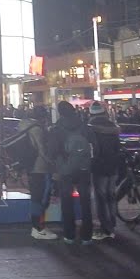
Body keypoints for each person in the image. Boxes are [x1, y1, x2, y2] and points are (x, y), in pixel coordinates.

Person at [49, 100, 94, 245]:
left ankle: (70, 234)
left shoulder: (57, 129)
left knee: (67, 201)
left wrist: (57, 165)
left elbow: (53, 151)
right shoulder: (84, 126)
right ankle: (87, 235)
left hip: (65, 169)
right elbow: (94, 147)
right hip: (83, 168)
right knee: (85, 201)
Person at [17, 106, 56, 240]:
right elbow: (42, 151)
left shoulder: (24, 126)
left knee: (36, 197)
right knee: (41, 198)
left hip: (31, 167)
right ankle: (38, 228)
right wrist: (53, 164)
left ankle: (38, 226)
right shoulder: (37, 129)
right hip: (41, 168)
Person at [87, 101, 122, 241]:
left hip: (99, 165)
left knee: (101, 198)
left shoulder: (90, 128)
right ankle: (112, 225)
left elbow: (92, 149)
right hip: (113, 165)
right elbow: (117, 147)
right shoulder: (113, 126)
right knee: (111, 195)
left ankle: (106, 229)